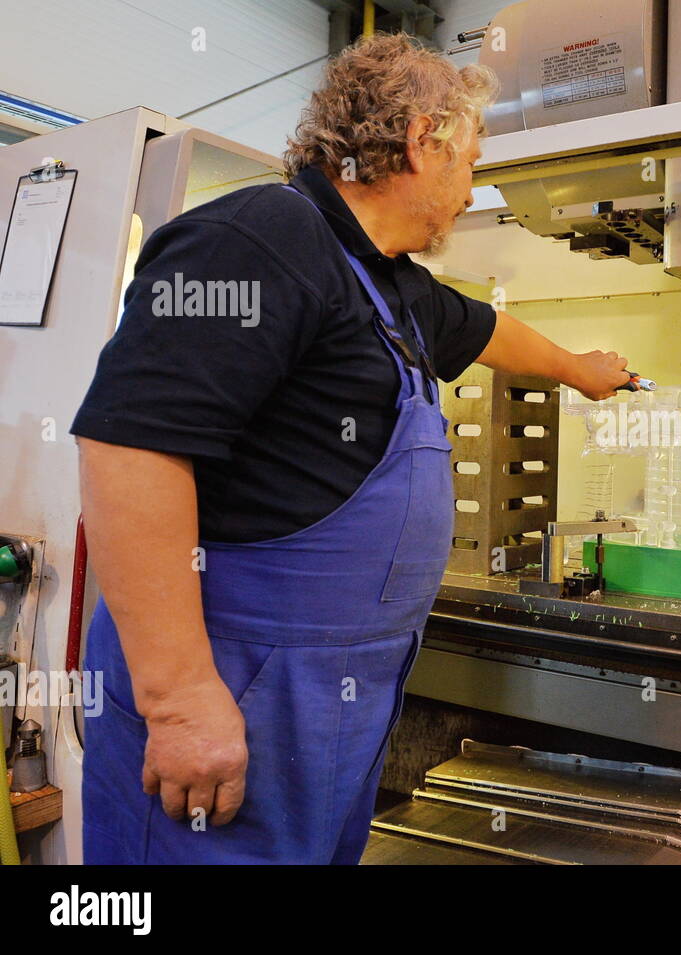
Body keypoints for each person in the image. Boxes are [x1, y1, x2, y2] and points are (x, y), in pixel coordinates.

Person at [71, 32, 631, 864]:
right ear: (422, 139)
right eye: (470, 162)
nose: (472, 191)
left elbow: (488, 331)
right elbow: (129, 449)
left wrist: (582, 372)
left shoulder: (391, 285)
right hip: (235, 686)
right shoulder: (262, 237)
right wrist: (181, 699)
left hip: (332, 711)